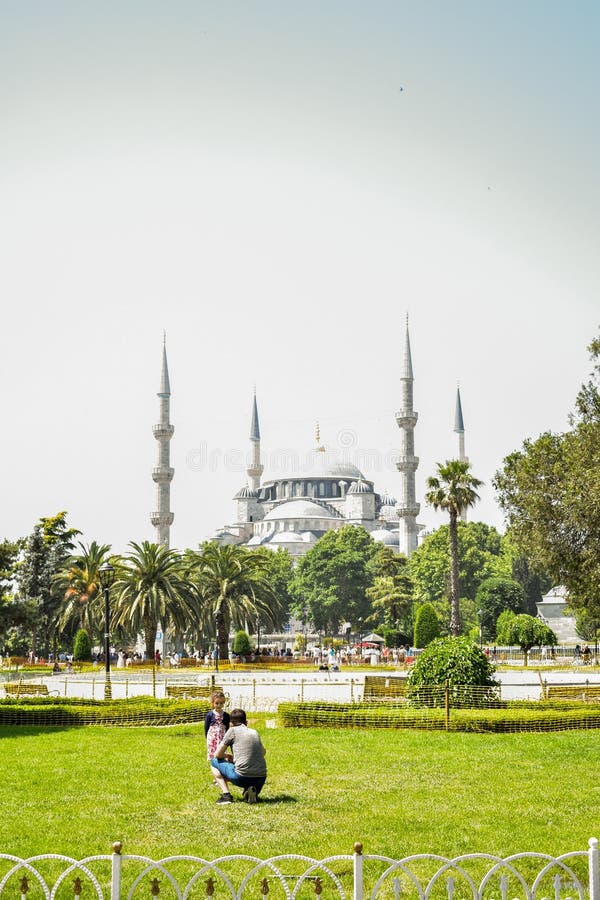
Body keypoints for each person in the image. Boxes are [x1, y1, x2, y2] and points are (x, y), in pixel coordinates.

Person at [210, 708, 267, 804]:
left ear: (231, 723)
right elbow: (263, 752)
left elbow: (217, 754)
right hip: (261, 778)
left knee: (214, 761)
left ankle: (226, 795)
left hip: (241, 777)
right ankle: (250, 791)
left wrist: (228, 756)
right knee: (246, 769)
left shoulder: (232, 731)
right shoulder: (254, 732)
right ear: (246, 722)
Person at [204, 690, 230, 761]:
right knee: (212, 747)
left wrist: (227, 736)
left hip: (222, 735)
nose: (219, 705)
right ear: (212, 703)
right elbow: (206, 726)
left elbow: (227, 726)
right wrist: (207, 736)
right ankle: (213, 760)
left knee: (221, 747)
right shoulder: (209, 715)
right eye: (217, 703)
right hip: (212, 735)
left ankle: (221, 759)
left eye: (221, 703)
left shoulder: (226, 715)